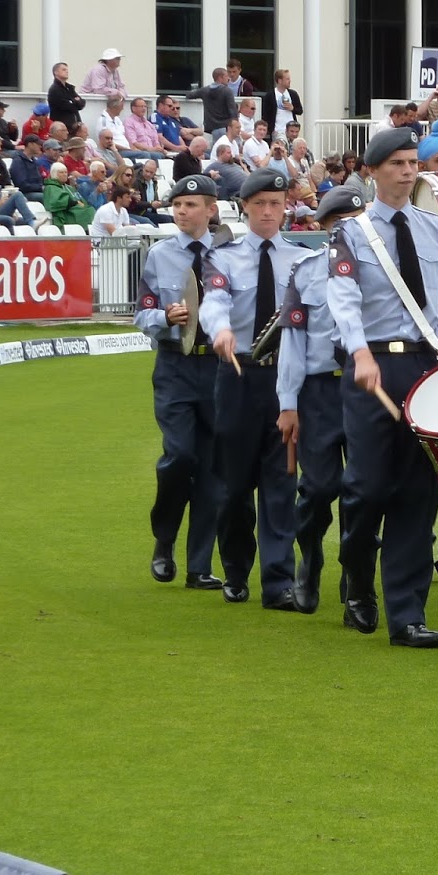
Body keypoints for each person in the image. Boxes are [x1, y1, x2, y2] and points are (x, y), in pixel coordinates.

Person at [325, 126, 438, 648]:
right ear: (372, 171)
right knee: (366, 490)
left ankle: (407, 614)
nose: (409, 171)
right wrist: (359, 352)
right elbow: (342, 301)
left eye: (414, 162)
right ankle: (358, 581)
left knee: (418, 490)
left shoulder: (436, 229)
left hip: (427, 369)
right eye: (398, 163)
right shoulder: (350, 233)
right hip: (373, 370)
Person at [199, 169, 313, 608]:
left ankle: (278, 580)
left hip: (286, 378)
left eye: (276, 204)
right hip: (238, 375)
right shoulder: (223, 257)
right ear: (244, 206)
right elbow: (215, 299)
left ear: (287, 207)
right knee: (233, 486)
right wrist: (221, 330)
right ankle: (235, 567)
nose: (268, 212)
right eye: (260, 204)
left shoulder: (302, 259)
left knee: (282, 479)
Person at [275, 185, 366, 614]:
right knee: (318, 488)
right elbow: (291, 342)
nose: (344, 233)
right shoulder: (305, 271)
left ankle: (356, 578)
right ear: (321, 228)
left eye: (353, 223)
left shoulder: (382, 267)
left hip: (365, 383)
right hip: (320, 390)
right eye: (336, 226)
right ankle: (309, 563)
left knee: (363, 489)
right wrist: (287, 403)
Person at [136, 175, 227, 591]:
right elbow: (142, 314)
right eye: (178, 205)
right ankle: (164, 538)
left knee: (212, 470)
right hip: (175, 366)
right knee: (180, 457)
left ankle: (199, 566)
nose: (182, 211)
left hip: (219, 369)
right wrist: (163, 319)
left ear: (211, 210)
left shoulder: (230, 254)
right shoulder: (158, 255)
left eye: (191, 204)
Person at [41, 163, 94, 227]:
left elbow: (80, 200)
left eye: (66, 172)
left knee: (90, 209)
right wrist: (74, 202)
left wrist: (81, 203)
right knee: (88, 211)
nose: (64, 174)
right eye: (61, 172)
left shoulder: (69, 187)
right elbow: (55, 203)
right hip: (65, 213)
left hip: (75, 209)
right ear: (54, 174)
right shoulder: (51, 187)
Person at [193, 67, 239, 135]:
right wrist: (236, 125)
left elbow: (189, 95)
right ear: (220, 78)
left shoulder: (204, 90)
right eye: (226, 76)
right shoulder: (227, 91)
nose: (228, 78)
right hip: (224, 128)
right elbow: (232, 111)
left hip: (209, 129)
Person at [262, 68, 304, 139]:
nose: (290, 81)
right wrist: (270, 130)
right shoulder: (270, 95)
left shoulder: (293, 94)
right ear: (280, 80)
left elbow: (300, 111)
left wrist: (292, 108)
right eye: (287, 79)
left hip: (292, 131)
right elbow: (266, 115)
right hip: (278, 130)